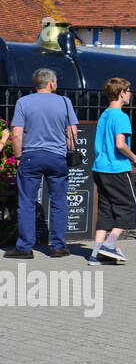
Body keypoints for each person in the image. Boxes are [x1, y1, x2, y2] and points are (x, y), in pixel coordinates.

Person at [5, 69, 77, 259]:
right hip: (57, 157)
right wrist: (67, 149)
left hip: (30, 156)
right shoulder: (64, 102)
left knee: (26, 203)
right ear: (51, 83)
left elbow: (17, 133)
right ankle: (59, 246)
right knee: (59, 202)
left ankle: (25, 248)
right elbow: (72, 133)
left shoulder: (23, 102)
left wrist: (19, 157)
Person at [89, 78, 136, 265]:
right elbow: (120, 144)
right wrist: (134, 157)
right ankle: (109, 246)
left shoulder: (104, 114)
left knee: (106, 210)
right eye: (129, 91)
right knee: (130, 207)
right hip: (117, 169)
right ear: (121, 93)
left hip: (100, 168)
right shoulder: (121, 116)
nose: (130, 94)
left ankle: (95, 255)